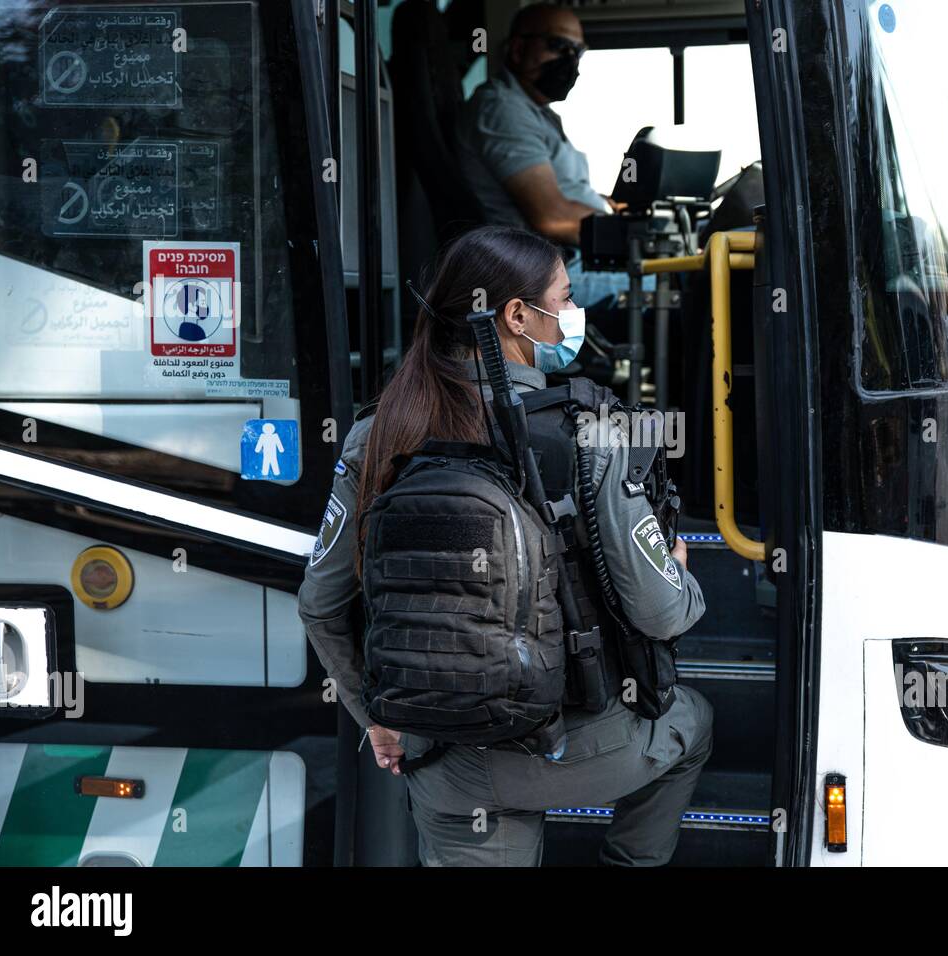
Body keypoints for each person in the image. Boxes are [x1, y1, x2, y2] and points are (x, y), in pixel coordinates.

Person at [297, 224, 710, 866]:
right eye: (566, 299)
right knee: (695, 722)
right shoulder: (592, 434)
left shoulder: (375, 434)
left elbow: (322, 605)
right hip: (590, 748)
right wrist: (680, 577)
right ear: (517, 315)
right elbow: (659, 612)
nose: (573, 316)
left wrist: (379, 719)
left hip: (452, 764)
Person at [454, 2, 655, 312]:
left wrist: (607, 206)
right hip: (544, 277)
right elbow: (552, 218)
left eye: (578, 52)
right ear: (519, 48)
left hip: (569, 262)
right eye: (559, 46)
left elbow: (561, 190)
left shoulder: (538, 114)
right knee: (687, 277)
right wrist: (638, 235)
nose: (570, 61)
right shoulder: (503, 110)